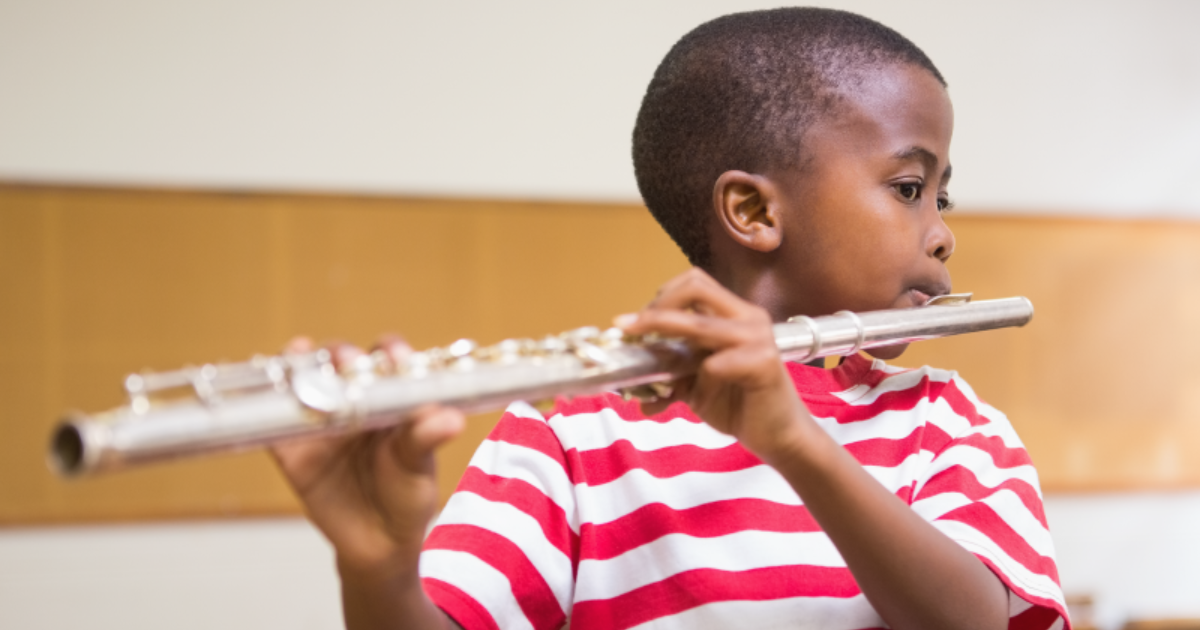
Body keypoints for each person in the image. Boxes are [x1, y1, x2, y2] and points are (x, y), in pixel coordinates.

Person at [273, 8, 1070, 630]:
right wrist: (376, 571)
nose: (941, 230)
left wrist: (794, 441)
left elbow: (979, 621)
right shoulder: (569, 440)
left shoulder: (949, 423)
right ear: (754, 210)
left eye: (943, 195)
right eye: (908, 188)